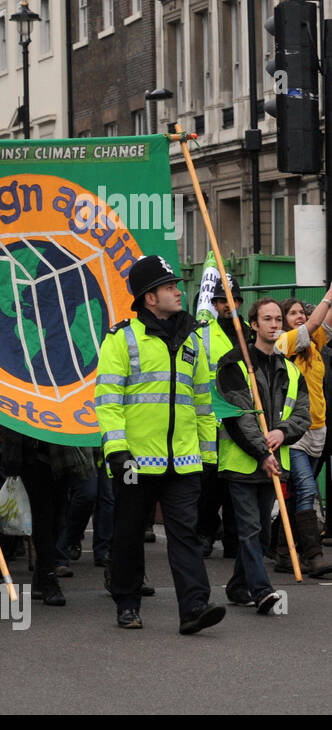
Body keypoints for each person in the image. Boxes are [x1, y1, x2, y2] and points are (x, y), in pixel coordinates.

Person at [94, 255, 222, 634]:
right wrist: (117, 450)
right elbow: (108, 400)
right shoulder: (122, 339)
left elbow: (202, 402)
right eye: (170, 287)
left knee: (185, 533)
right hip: (135, 461)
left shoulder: (193, 339)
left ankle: (194, 607)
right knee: (130, 534)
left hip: (183, 461)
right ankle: (128, 602)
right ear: (150, 297)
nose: (178, 292)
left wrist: (208, 456)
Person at [216, 297, 306, 613]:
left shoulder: (290, 369)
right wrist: (260, 453)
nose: (274, 325)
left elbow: (302, 413)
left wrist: (282, 431)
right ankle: (261, 590)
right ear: (254, 325)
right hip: (242, 463)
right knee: (250, 528)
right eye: (267, 319)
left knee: (261, 533)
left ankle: (239, 585)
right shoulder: (234, 364)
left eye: (277, 320)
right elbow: (237, 416)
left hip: (273, 465)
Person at [273, 290, 332, 576]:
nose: (301, 317)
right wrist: (328, 296)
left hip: (317, 430)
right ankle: (314, 556)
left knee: (297, 494)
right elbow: (313, 325)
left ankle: (284, 553)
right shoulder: (284, 343)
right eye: (294, 313)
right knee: (308, 489)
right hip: (294, 432)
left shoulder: (314, 346)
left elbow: (325, 325)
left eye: (303, 312)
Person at [198, 274, 246, 556]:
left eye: (234, 300)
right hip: (213, 419)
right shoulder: (202, 333)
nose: (229, 305)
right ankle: (204, 534)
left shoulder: (251, 332)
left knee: (236, 483)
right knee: (210, 483)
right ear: (215, 304)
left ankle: (232, 540)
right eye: (223, 301)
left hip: (243, 418)